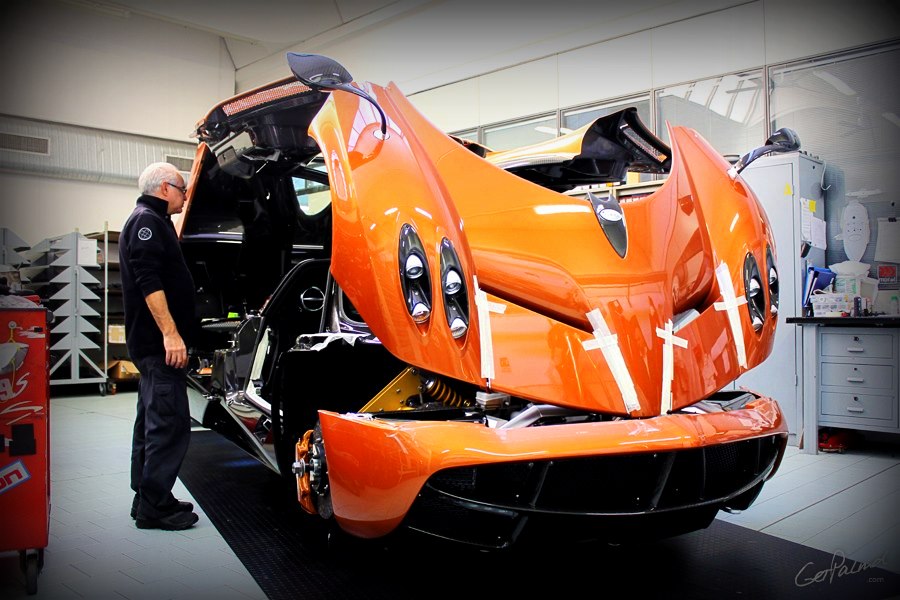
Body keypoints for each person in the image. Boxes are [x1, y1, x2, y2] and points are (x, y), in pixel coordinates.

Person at [120, 162, 199, 530]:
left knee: (151, 423)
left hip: (151, 346)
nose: (186, 197)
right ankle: (155, 508)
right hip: (158, 345)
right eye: (182, 189)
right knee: (168, 423)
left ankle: (148, 497)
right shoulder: (147, 222)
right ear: (165, 188)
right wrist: (171, 333)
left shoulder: (153, 220)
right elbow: (148, 279)